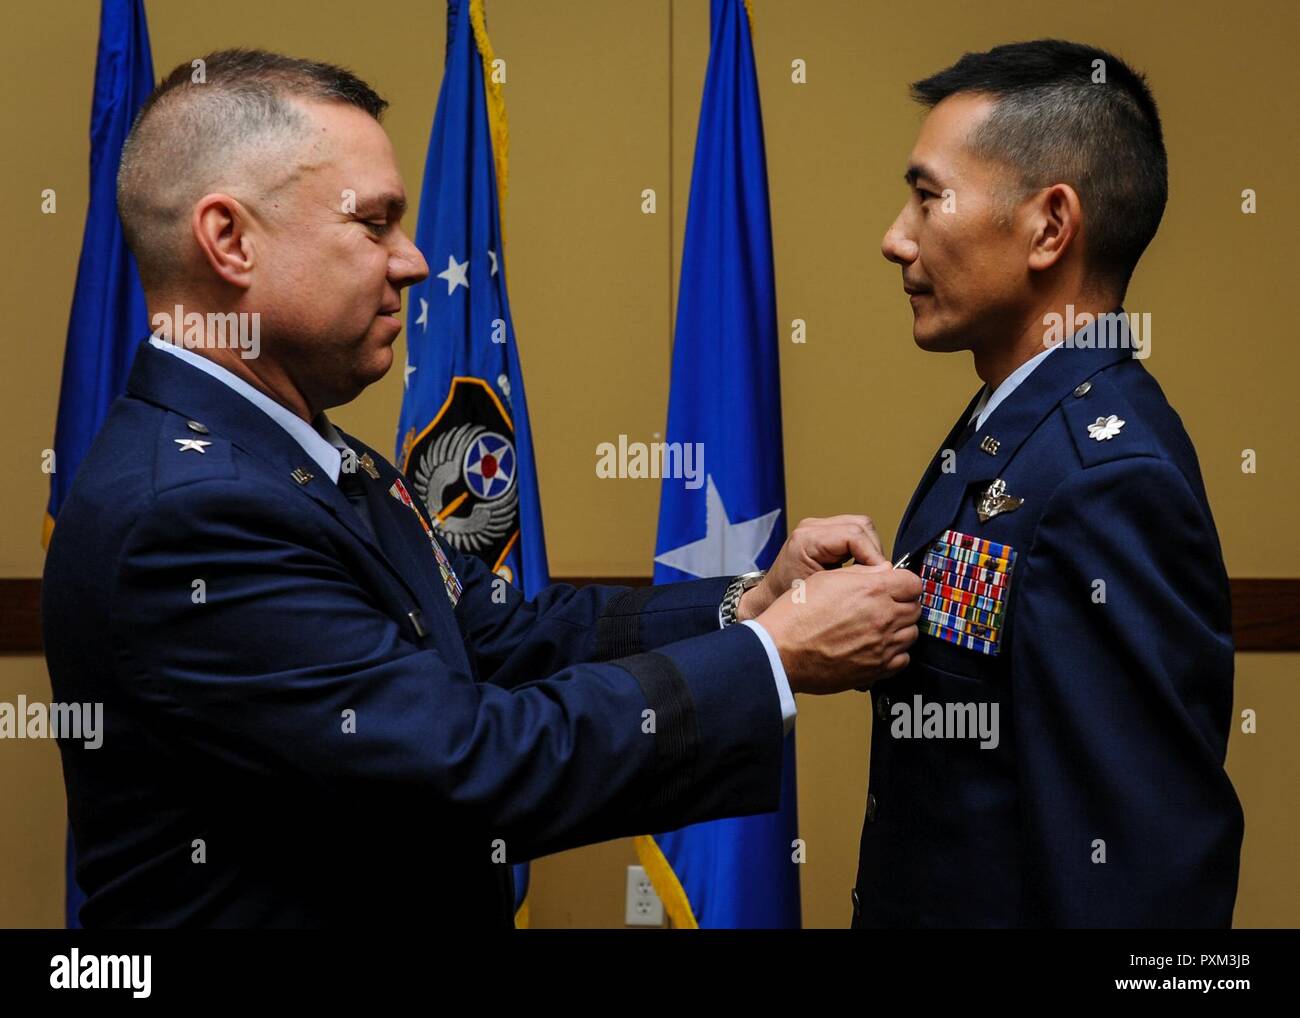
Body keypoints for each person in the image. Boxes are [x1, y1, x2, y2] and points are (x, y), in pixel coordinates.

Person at [42, 49, 922, 928]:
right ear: (230, 239)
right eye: (375, 224)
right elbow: (459, 764)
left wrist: (750, 604)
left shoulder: (297, 451)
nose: (413, 261)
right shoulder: (191, 513)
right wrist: (771, 658)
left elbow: (484, 643)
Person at [855, 39, 1243, 928]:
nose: (895, 237)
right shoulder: (1016, 427)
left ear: (1049, 226)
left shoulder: (1104, 481)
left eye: (927, 198)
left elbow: (1144, 887)